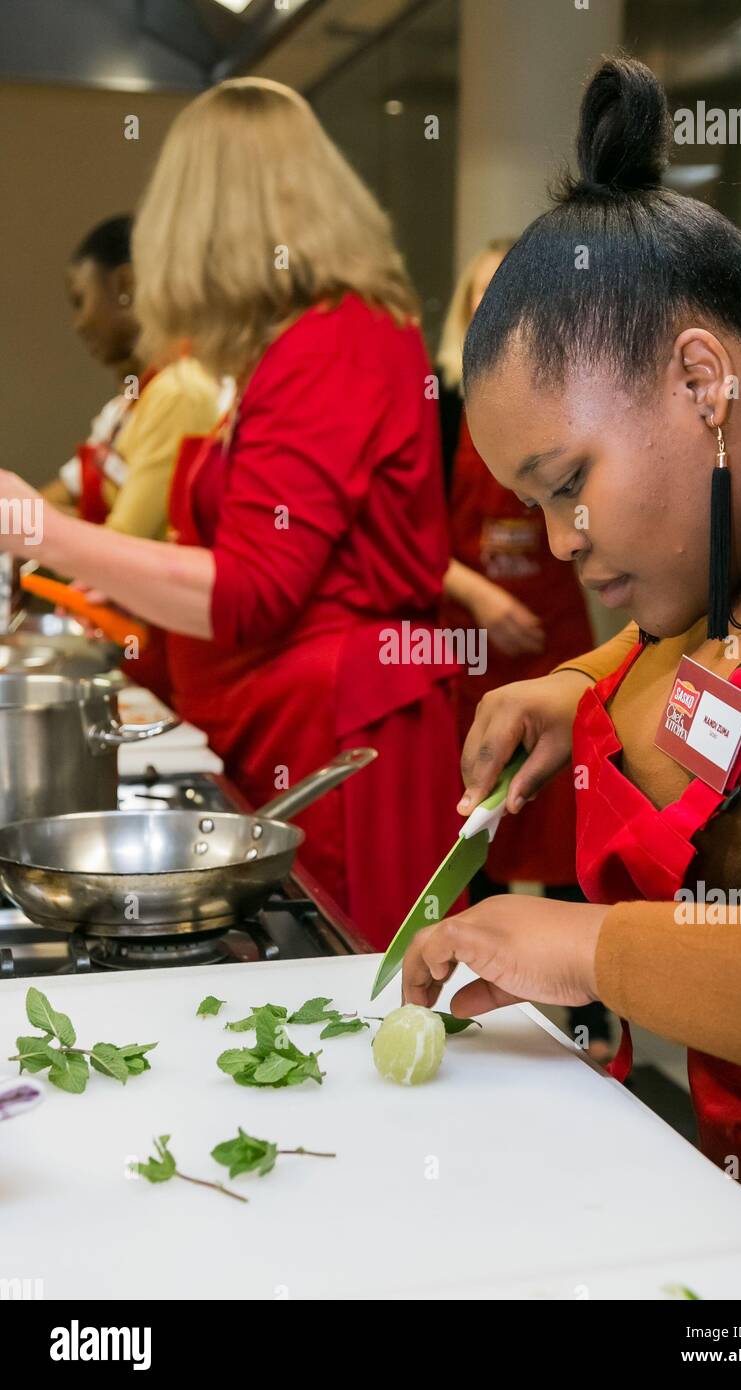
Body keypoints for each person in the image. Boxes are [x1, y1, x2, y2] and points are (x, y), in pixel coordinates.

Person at [401, 58, 741, 1270]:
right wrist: (589, 677)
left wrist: (581, 947)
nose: (557, 544)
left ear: (701, 380)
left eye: (568, 486)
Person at [0, 79, 461, 949]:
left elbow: (251, 589)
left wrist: (42, 531)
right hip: (302, 726)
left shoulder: (335, 341)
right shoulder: (306, 341)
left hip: (345, 740)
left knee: (350, 996)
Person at [438, 240, 608, 1056]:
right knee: (485, 812)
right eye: (480, 299)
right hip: (473, 644)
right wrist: (477, 595)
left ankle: (587, 1000)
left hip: (556, 636)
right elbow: (411, 542)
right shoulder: (441, 411)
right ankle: (487, 992)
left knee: (570, 801)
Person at [46, 215, 220, 539]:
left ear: (125, 286)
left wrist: (23, 523)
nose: (78, 324)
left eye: (79, 300)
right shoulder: (126, 406)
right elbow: (68, 496)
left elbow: (122, 545)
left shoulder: (180, 393)